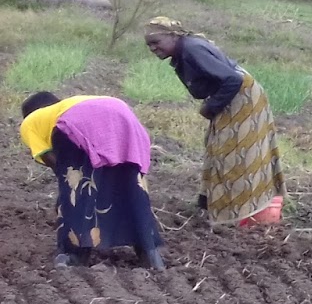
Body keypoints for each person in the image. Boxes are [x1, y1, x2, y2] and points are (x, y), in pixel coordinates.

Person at [142, 15, 286, 226]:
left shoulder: (192, 49)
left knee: (235, 154)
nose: (153, 48)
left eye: (156, 42)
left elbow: (232, 79)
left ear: (173, 36)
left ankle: (239, 213)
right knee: (219, 148)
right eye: (149, 45)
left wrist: (211, 107)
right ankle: (216, 206)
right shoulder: (187, 48)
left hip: (242, 97)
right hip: (236, 95)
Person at [19, 91, 165, 270]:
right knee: (131, 187)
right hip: (123, 114)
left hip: (78, 123)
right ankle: (150, 255)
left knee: (79, 190)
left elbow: (53, 162)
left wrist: (66, 192)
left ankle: (74, 255)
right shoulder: (69, 104)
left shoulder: (31, 120)